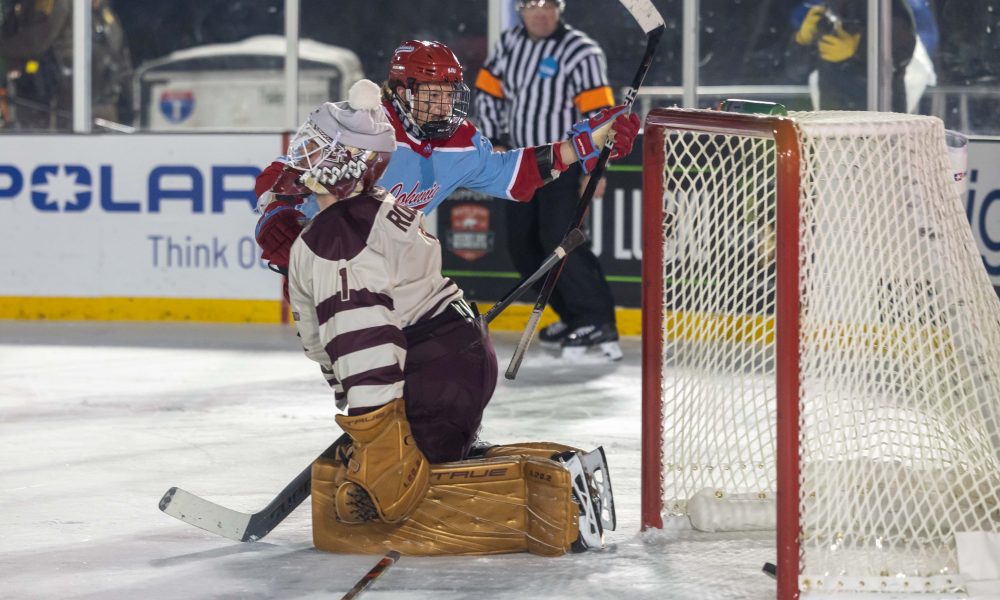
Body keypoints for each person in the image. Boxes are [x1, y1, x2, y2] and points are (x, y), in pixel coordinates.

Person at [284, 79, 613, 557]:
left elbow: (365, 343)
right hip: (458, 353)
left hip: (431, 367)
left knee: (399, 497)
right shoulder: (375, 203)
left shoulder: (338, 237)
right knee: (434, 459)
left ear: (345, 162)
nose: (305, 153)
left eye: (318, 146)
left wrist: (373, 427)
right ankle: (554, 468)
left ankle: (552, 505)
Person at [253, 39, 639, 303]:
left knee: (446, 360)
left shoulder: (459, 142)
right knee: (374, 373)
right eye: (432, 95)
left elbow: (513, 173)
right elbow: (279, 180)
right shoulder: (362, 128)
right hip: (328, 270)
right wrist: (280, 218)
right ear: (403, 92)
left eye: (449, 95)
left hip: (394, 272)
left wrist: (585, 145)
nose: (443, 107)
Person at [474, 0, 631, 361]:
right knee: (522, 246)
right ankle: (572, 316)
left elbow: (599, 115)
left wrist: (596, 167)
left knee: (561, 241)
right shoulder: (510, 44)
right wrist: (496, 137)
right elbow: (488, 92)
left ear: (559, 8)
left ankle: (597, 321)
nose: (540, 13)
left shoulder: (581, 51)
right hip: (519, 164)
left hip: (566, 163)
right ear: (521, 10)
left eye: (547, 4)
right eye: (531, 5)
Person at [0, 0, 132, 130]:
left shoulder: (100, 11)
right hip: (70, 100)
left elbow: (36, 41)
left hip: (90, 101)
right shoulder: (82, 7)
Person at [790, 0, 917, 112]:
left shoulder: (886, 5)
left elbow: (903, 47)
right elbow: (781, 65)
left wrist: (857, 47)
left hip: (880, 116)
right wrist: (801, 40)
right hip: (833, 114)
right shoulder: (828, 6)